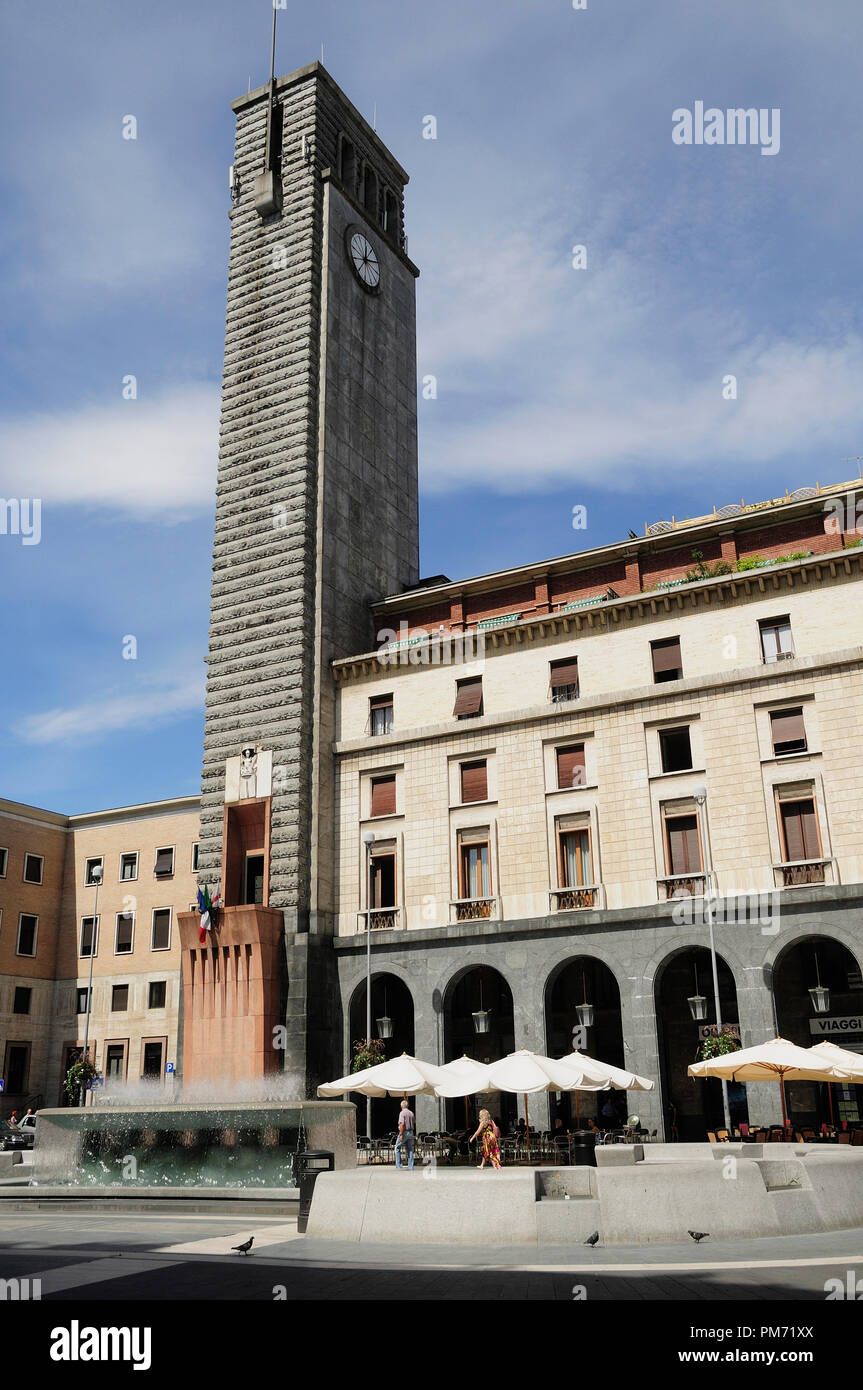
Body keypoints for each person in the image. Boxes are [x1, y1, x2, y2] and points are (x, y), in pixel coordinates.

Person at [394, 1097, 415, 1171]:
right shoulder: (411, 1113)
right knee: (410, 1150)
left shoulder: (402, 1113)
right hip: (411, 1132)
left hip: (404, 1132)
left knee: (397, 1148)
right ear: (407, 1106)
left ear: (401, 1106)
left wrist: (401, 1134)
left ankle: (399, 1165)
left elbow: (402, 1124)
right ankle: (411, 1166)